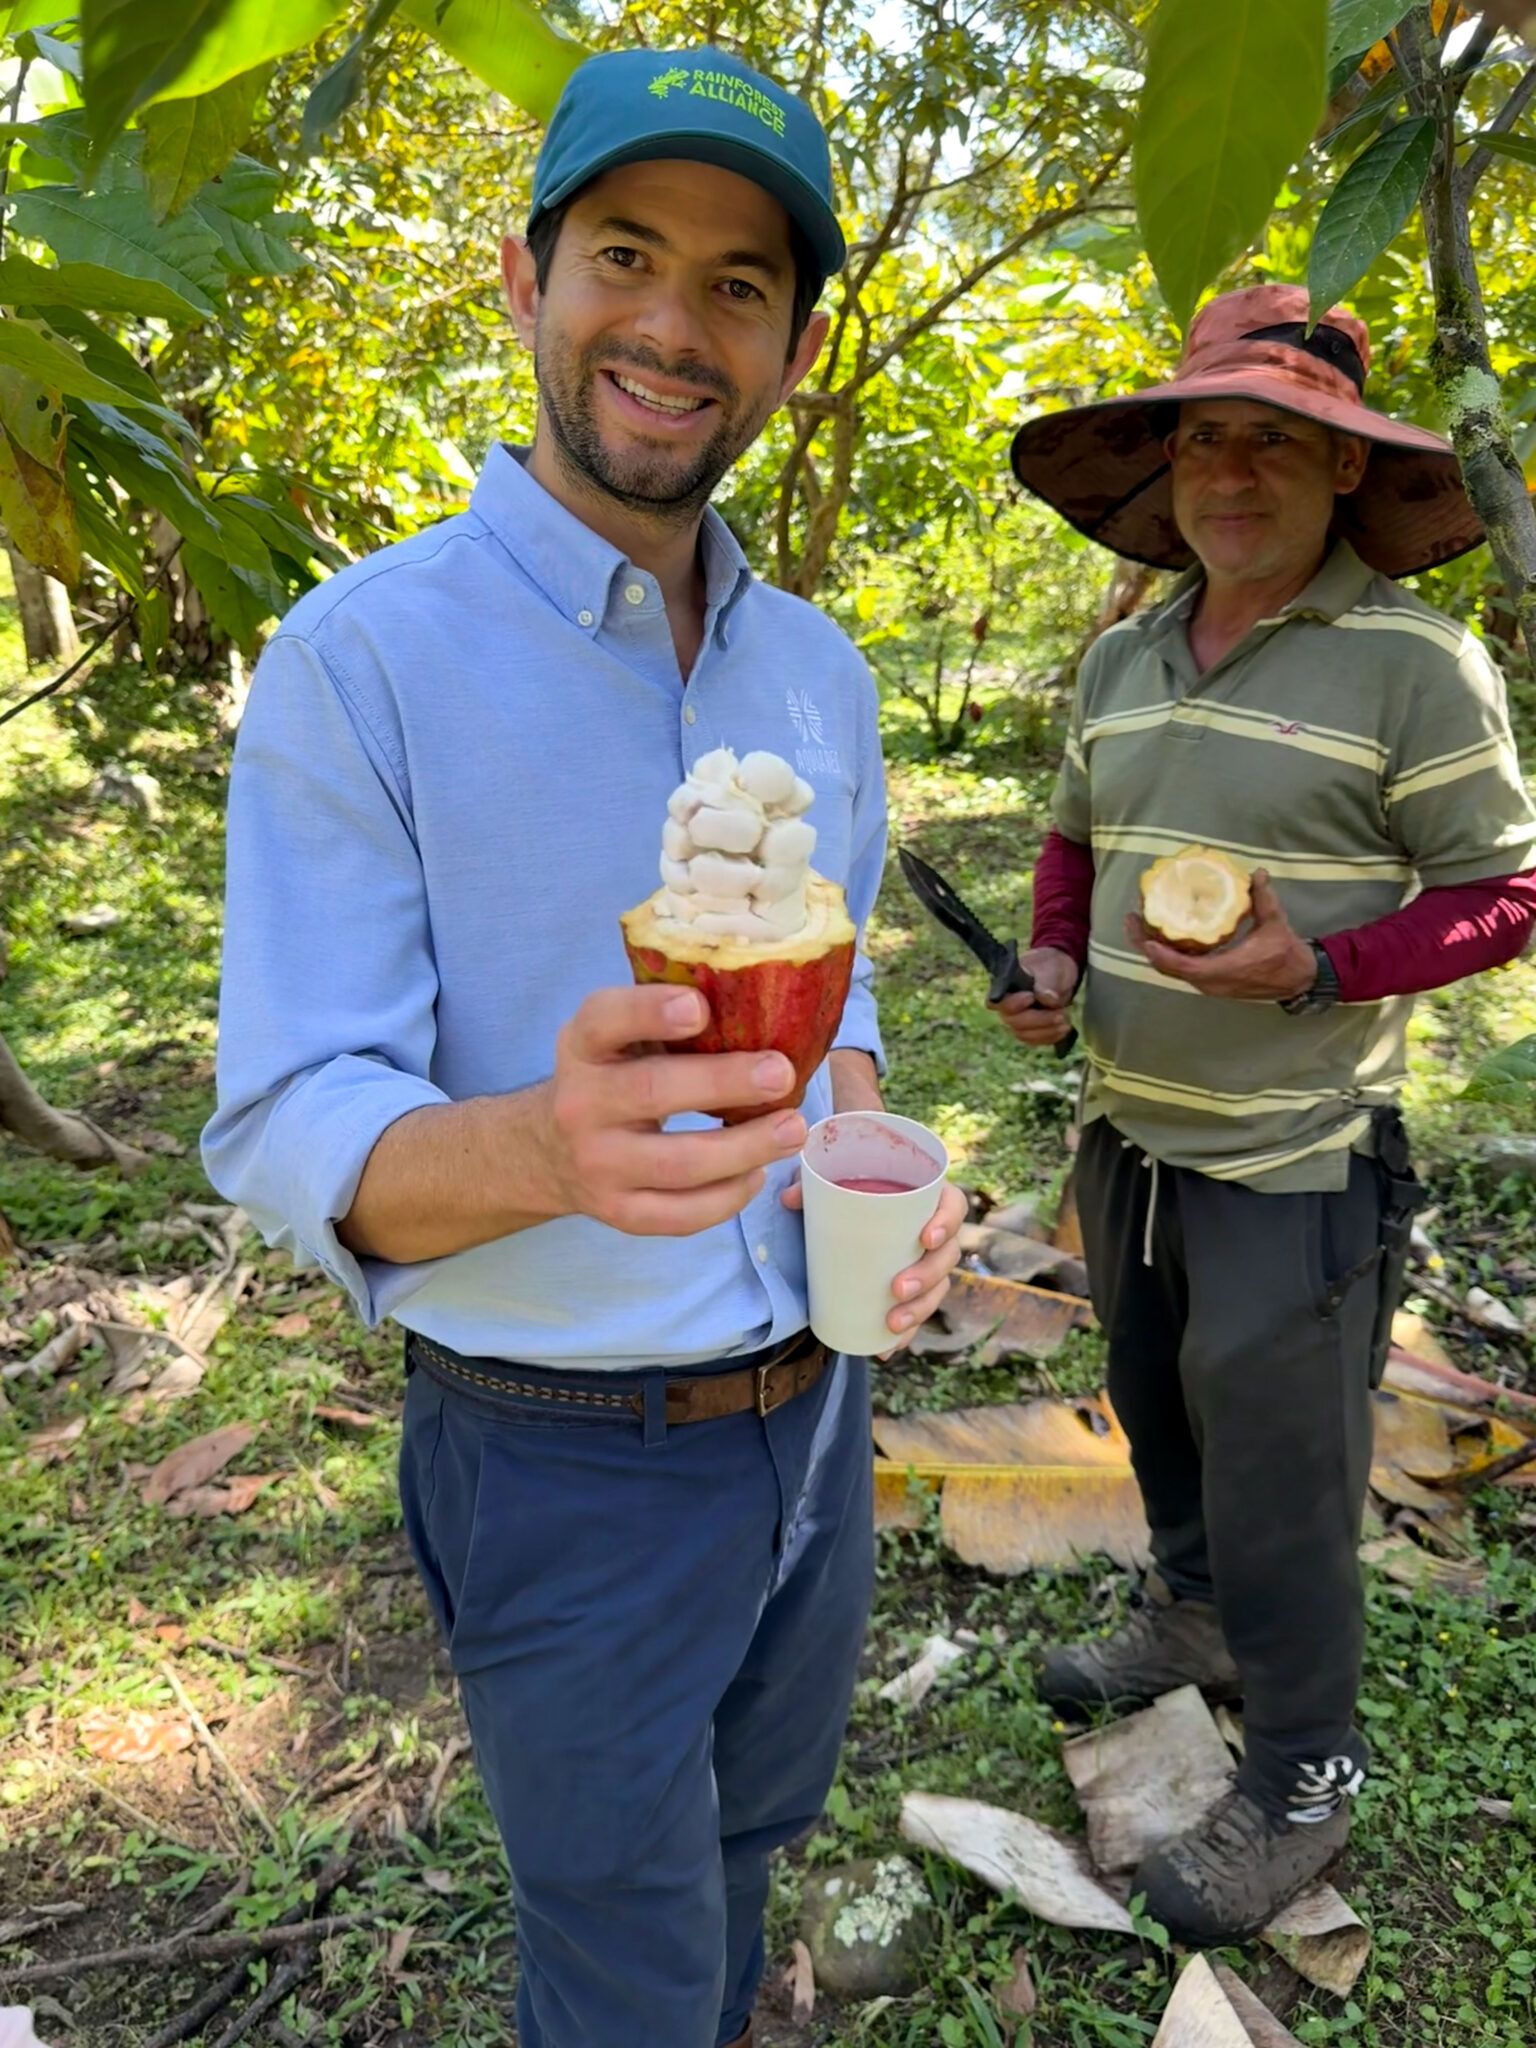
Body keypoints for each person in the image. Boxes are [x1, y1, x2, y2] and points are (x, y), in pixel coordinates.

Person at [202, 45, 966, 2048]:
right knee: (615, 1955)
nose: (674, 324)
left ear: (795, 344)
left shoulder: (819, 673)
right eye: (627, 253)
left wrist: (874, 1154)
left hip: (814, 1411)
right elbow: (293, 1118)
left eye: (739, 283)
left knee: (748, 1837)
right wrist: (556, 1146)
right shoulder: (363, 659)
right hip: (559, 1454)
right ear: (526, 280)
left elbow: (841, 995)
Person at [1000, 283, 1536, 1943]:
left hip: (1295, 1159)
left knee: (1287, 1468)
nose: (1234, 471)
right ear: (1169, 467)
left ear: (1345, 472)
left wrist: (1322, 965)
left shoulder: (1415, 663)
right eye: (1207, 434)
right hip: (1129, 1133)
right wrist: (1045, 953)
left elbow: (1507, 892)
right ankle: (1194, 1616)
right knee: (1151, 1394)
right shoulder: (1124, 656)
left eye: (1277, 440)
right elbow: (1084, 844)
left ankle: (1306, 1767)